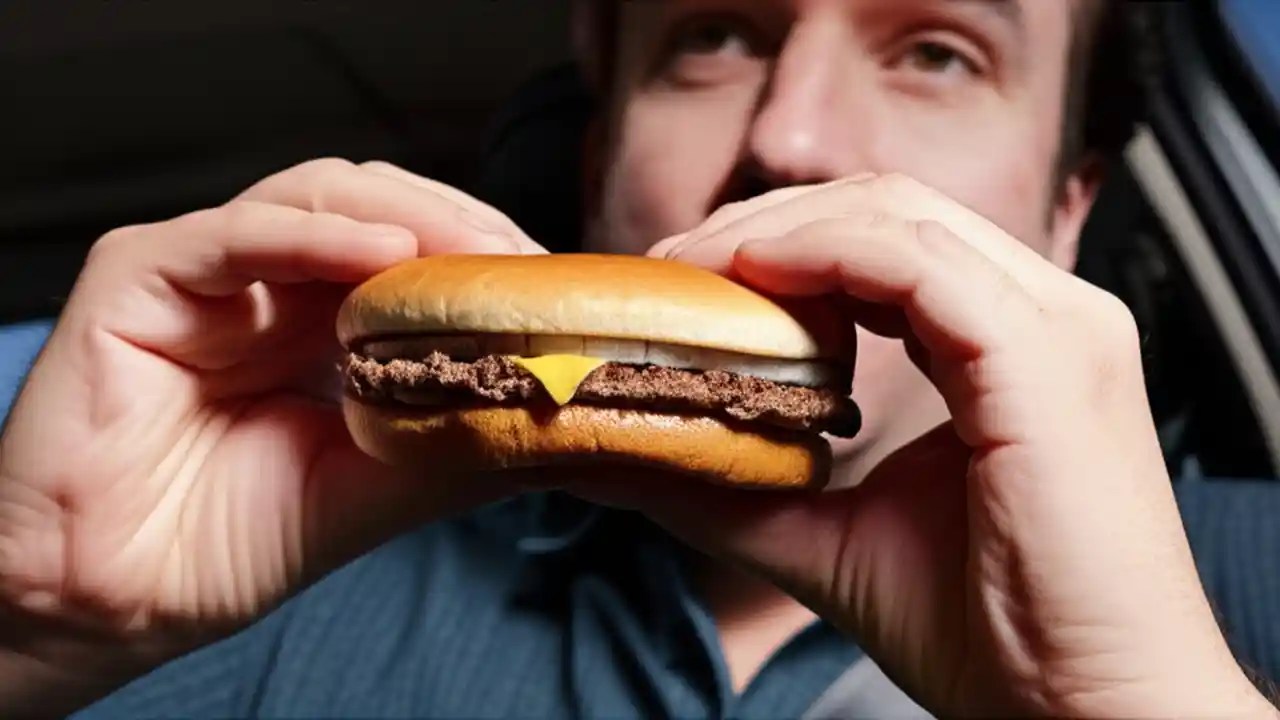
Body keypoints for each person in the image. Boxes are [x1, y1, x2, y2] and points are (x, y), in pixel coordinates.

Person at [2, 0, 1279, 717]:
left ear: (1069, 203)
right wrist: (40, 632)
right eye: (714, 36)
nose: (790, 136)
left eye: (937, 53)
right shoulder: (239, 598)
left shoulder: (1244, 585)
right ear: (599, 148)